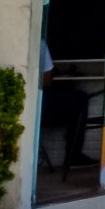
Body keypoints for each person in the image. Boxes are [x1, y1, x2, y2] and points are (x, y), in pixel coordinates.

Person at [38, 40, 92, 168]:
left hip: (33, 113)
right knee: (80, 99)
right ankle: (74, 155)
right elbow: (46, 80)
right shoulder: (40, 43)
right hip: (42, 107)